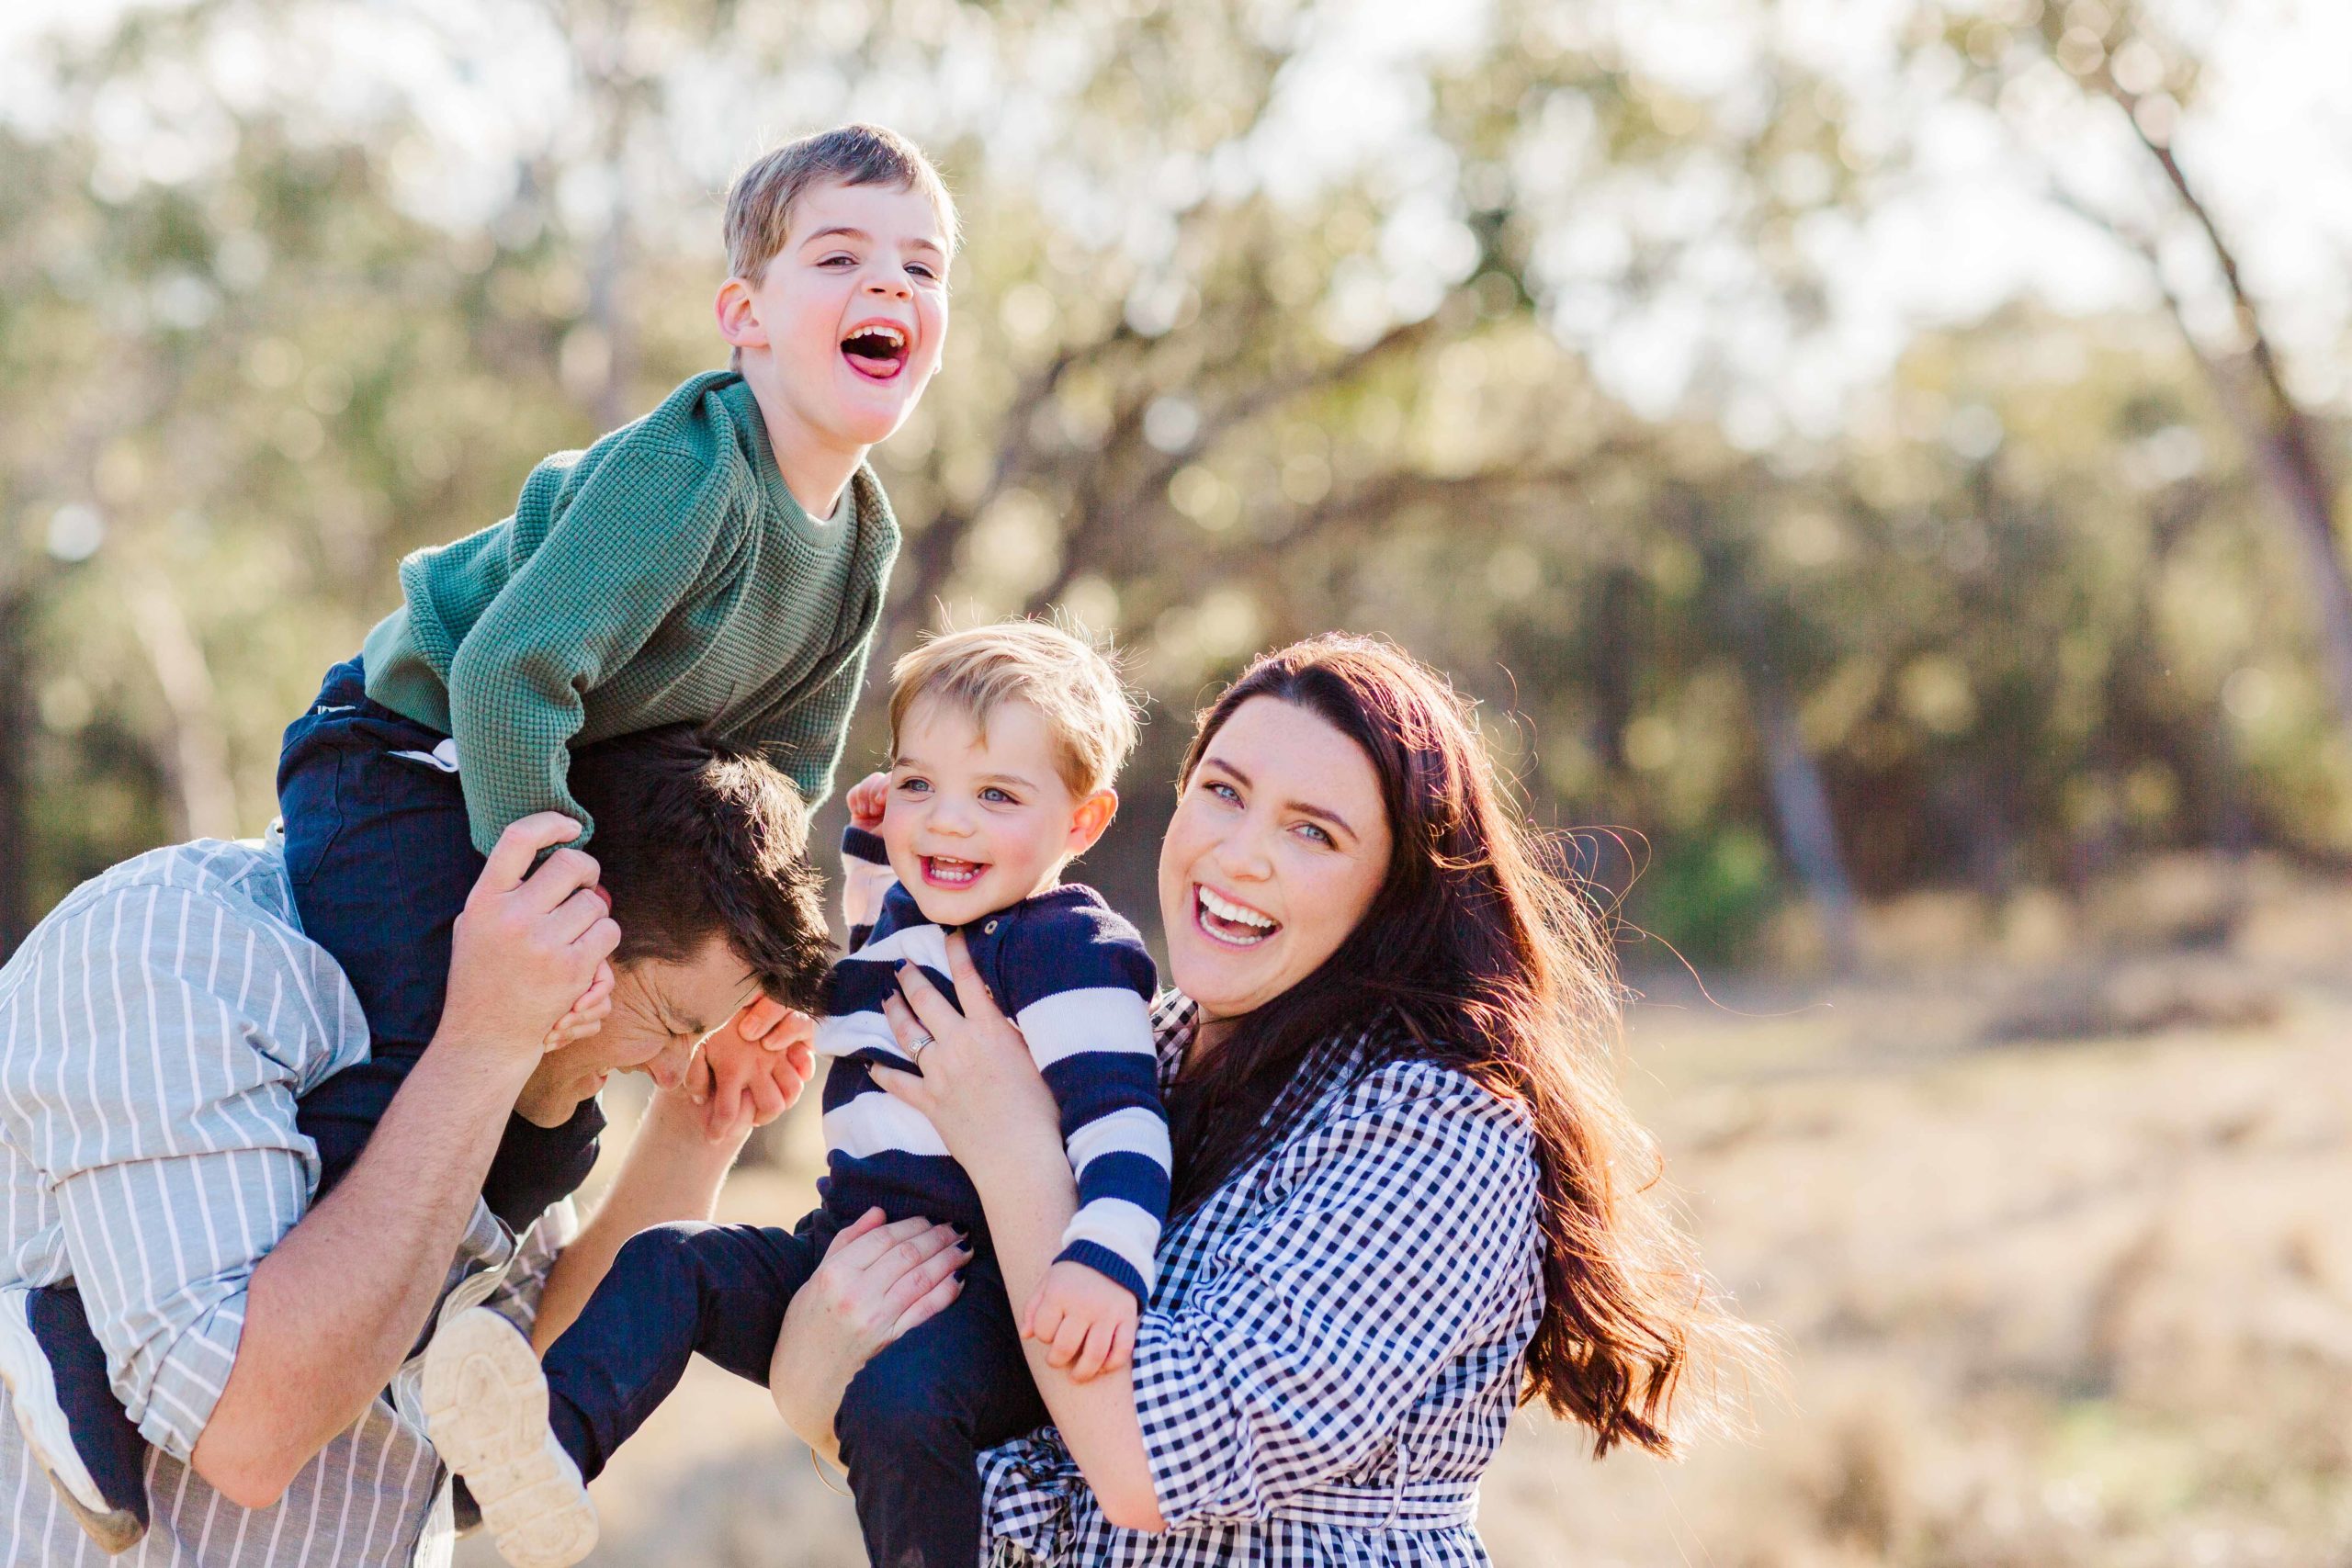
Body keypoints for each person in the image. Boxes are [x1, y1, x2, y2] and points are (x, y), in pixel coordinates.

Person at [6, 120, 956, 1550]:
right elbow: (511, 666)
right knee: (412, 1045)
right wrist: (542, 876)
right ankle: (86, 1331)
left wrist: (763, 973)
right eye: (842, 256)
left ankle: (443, 1334)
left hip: (546, 781)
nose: (888, 282)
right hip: (417, 749)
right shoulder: (694, 468)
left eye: (923, 266)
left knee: (531, 1121)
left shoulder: (863, 543)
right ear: (744, 318)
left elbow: (789, 766)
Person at [767, 634, 1764, 1564]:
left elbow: (1137, 1464)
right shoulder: (1141, 1048)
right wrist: (814, 1383)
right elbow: (1017, 1484)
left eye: (1313, 833)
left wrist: (1016, 1151)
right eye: (1223, 793)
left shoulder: (1435, 1131)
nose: (1240, 854)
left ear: (1394, 888)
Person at [0, 728, 885, 1568]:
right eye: (671, 1022)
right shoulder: (177, 953)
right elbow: (248, 1432)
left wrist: (699, 1125)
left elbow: (502, 1402)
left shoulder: (519, 1080)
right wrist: (482, 1047)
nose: (666, 1067)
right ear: (565, 914)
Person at [427, 621, 1170, 1568]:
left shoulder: (1068, 949)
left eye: (995, 795)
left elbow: (1124, 1124)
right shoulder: (909, 915)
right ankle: (544, 1459)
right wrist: (869, 841)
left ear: (1081, 823)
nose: (947, 822)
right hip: (839, 1251)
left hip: (983, 1288)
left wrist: (1100, 1265)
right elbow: (868, 939)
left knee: (898, 1405)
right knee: (671, 1264)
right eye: (918, 785)